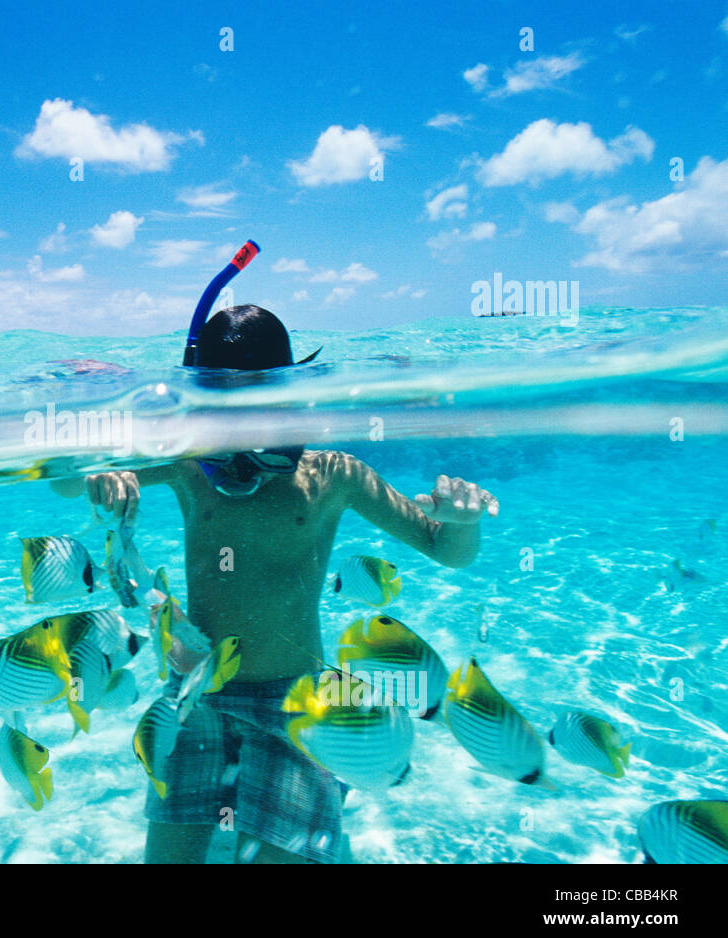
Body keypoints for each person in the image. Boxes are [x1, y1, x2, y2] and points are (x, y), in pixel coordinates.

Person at [53, 304, 500, 864]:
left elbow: (445, 549)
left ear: (287, 404)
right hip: (199, 694)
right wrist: (102, 473)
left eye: (270, 450)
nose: (245, 468)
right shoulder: (190, 464)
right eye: (227, 449)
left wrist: (465, 523)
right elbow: (71, 484)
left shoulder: (334, 475)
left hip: (299, 701)